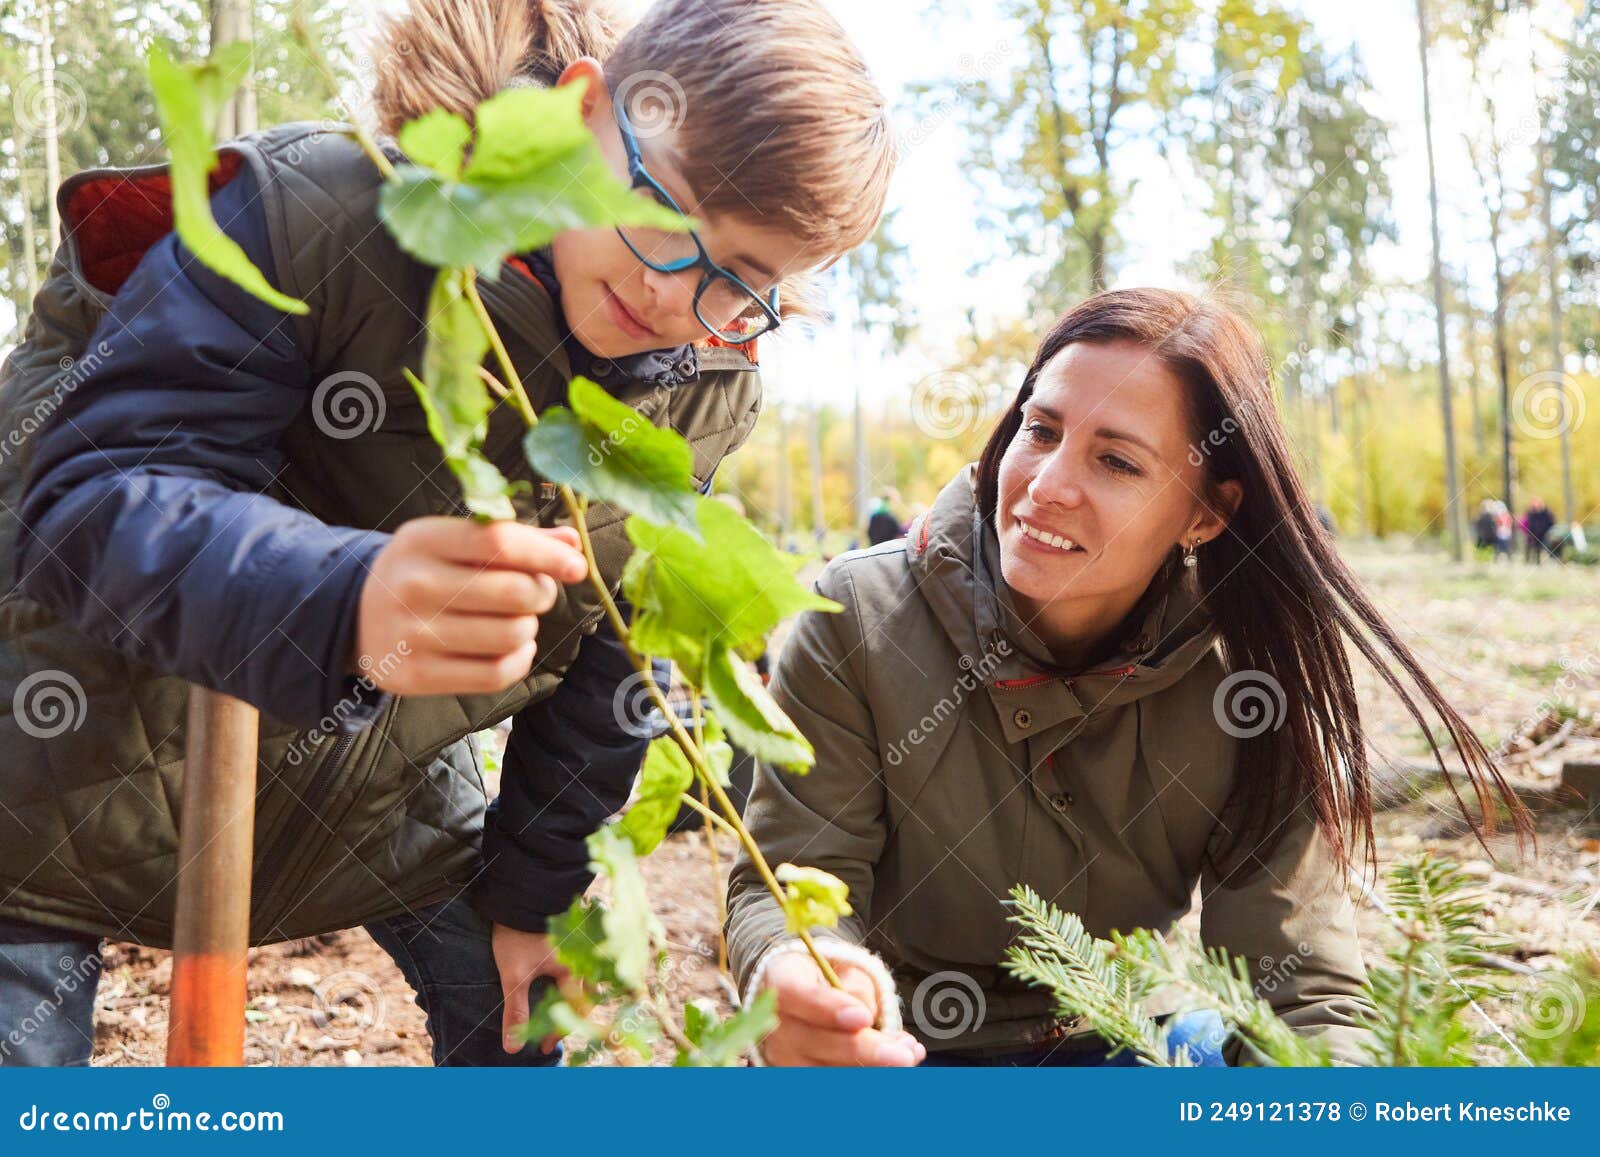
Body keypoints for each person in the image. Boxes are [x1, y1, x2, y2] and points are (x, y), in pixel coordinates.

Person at [0, 0, 893, 1067]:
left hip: (371, 799)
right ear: (581, 111)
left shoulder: (702, 389)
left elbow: (612, 650)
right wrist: (342, 600)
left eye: (741, 282)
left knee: (526, 1037)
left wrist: (535, 889)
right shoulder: (318, 213)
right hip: (58, 779)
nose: (673, 292)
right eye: (665, 215)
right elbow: (93, 502)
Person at [727, 289, 1533, 1068]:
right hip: (894, 1048)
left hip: (1134, 1045)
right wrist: (807, 980)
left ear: (1206, 513)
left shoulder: (1249, 681)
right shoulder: (854, 616)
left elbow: (1300, 993)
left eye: (1115, 460)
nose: (1047, 484)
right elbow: (794, 876)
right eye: (1041, 430)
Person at [1524, 498, 1556, 565]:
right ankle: (1528, 561)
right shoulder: (1531, 513)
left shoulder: (1546, 513)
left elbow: (1551, 522)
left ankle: (1538, 562)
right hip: (1532, 533)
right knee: (1530, 547)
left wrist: (1546, 530)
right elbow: (1529, 522)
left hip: (1543, 534)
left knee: (1540, 548)